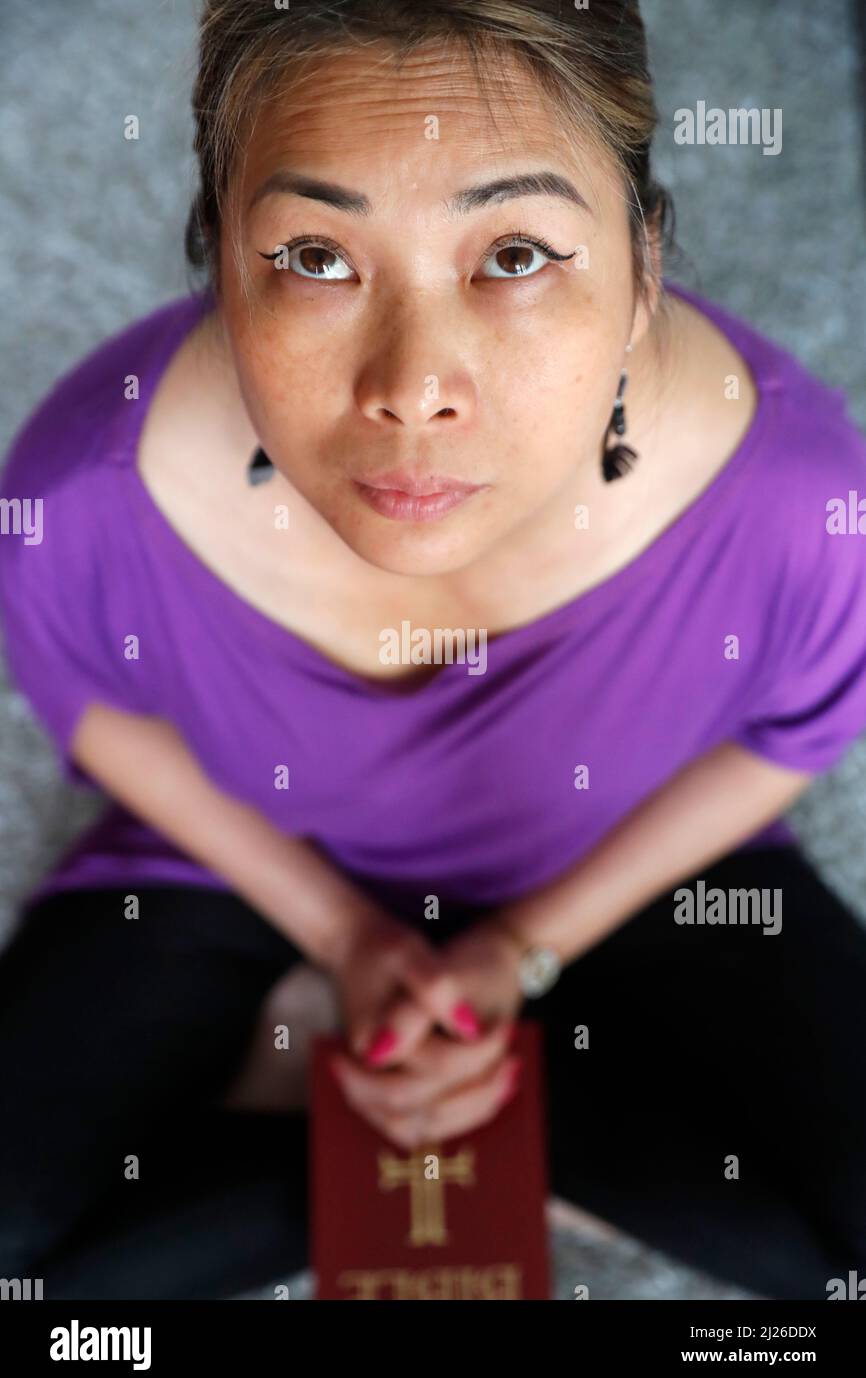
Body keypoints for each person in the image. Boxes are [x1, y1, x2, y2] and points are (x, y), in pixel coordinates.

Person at [1, 0, 866, 1301]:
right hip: (242, 864)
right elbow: (90, 706)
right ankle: (414, 1102)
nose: (413, 386)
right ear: (219, 264)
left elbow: (786, 737)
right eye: (313, 256)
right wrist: (344, 938)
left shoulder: (797, 499)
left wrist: (516, 953)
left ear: (642, 264)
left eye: (514, 251)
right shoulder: (83, 492)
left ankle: (469, 1107)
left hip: (622, 868)